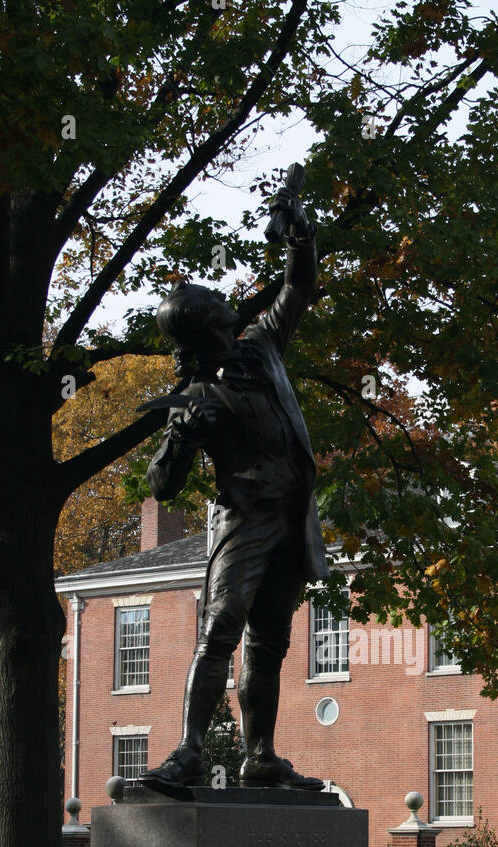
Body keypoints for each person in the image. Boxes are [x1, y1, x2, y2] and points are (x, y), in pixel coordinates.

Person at [140, 185, 328, 792]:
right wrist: (181, 440)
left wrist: (299, 234)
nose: (230, 306)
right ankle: (189, 751)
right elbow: (162, 487)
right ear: (205, 327)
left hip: (292, 515)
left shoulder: (264, 348)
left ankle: (260, 755)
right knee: (221, 627)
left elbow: (297, 288)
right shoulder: (192, 397)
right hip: (244, 520)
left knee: (270, 641)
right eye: (219, 305)